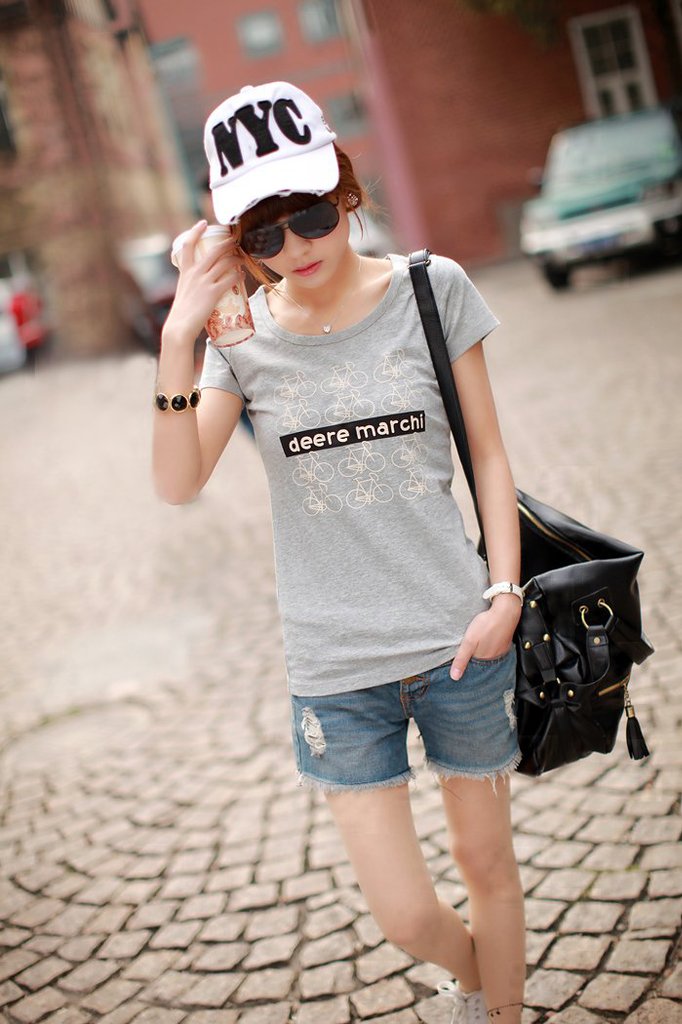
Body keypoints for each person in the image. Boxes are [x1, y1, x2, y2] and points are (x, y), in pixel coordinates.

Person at [152, 81, 525, 1024]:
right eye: (264, 235)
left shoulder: (432, 291)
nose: (296, 247)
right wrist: (179, 337)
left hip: (459, 641)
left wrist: (505, 594)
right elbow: (178, 480)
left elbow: (487, 453)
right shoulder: (242, 343)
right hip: (337, 671)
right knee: (405, 914)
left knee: (486, 866)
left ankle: (500, 1012)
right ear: (238, 244)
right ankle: (480, 982)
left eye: (312, 215)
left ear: (345, 189)